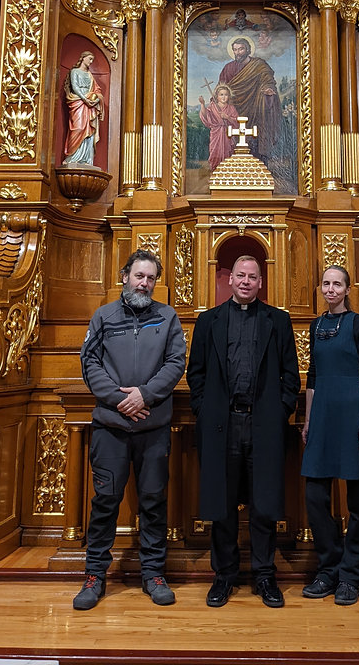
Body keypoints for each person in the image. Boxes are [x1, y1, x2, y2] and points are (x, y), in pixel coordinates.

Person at [73, 250, 186, 610]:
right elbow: (89, 362)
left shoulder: (167, 317)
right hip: (111, 426)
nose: (144, 283)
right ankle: (95, 575)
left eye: (151, 278)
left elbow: (175, 362)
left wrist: (145, 395)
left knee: (153, 501)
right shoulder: (103, 316)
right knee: (105, 502)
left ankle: (153, 573)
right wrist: (120, 400)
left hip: (153, 427)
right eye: (139, 276)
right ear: (125, 276)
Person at [187, 256, 300, 609]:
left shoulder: (278, 321)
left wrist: (280, 411)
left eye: (253, 276)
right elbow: (197, 375)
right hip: (222, 424)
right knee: (222, 505)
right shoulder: (208, 321)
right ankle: (224, 576)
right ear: (230, 280)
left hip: (264, 425)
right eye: (240, 276)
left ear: (260, 282)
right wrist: (205, 411)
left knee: (264, 505)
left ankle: (265, 575)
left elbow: (291, 376)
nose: (246, 282)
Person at [301, 266, 359, 606]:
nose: (331, 289)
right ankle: (329, 568)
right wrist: (307, 420)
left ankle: (351, 576)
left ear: (347, 289)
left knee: (358, 502)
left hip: (353, 414)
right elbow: (313, 376)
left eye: (337, 284)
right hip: (321, 416)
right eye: (326, 283)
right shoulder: (316, 324)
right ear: (320, 288)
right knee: (315, 497)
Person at [218, 38, 281, 161]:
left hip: (255, 109)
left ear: (248, 50)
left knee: (255, 137)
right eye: (235, 50)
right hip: (234, 109)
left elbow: (267, 79)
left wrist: (267, 89)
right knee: (234, 139)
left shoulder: (259, 65)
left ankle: (260, 164)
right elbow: (221, 87)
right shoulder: (228, 68)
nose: (238, 52)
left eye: (241, 49)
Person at [63, 51, 106, 166]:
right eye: (90, 59)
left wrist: (96, 100)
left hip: (89, 106)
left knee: (89, 130)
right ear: (83, 58)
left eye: (92, 59)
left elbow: (97, 91)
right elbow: (75, 87)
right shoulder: (74, 72)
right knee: (78, 128)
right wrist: (85, 99)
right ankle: (72, 157)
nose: (91, 62)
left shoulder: (90, 75)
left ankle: (86, 159)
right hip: (78, 102)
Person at [198, 84, 239, 170]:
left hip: (227, 134)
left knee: (228, 154)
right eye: (221, 95)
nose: (224, 97)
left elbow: (237, 122)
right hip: (216, 133)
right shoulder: (213, 107)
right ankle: (215, 172)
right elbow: (206, 116)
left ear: (229, 96)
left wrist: (227, 117)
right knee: (214, 153)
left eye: (226, 95)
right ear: (217, 96)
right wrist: (202, 104)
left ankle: (227, 174)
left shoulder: (231, 108)